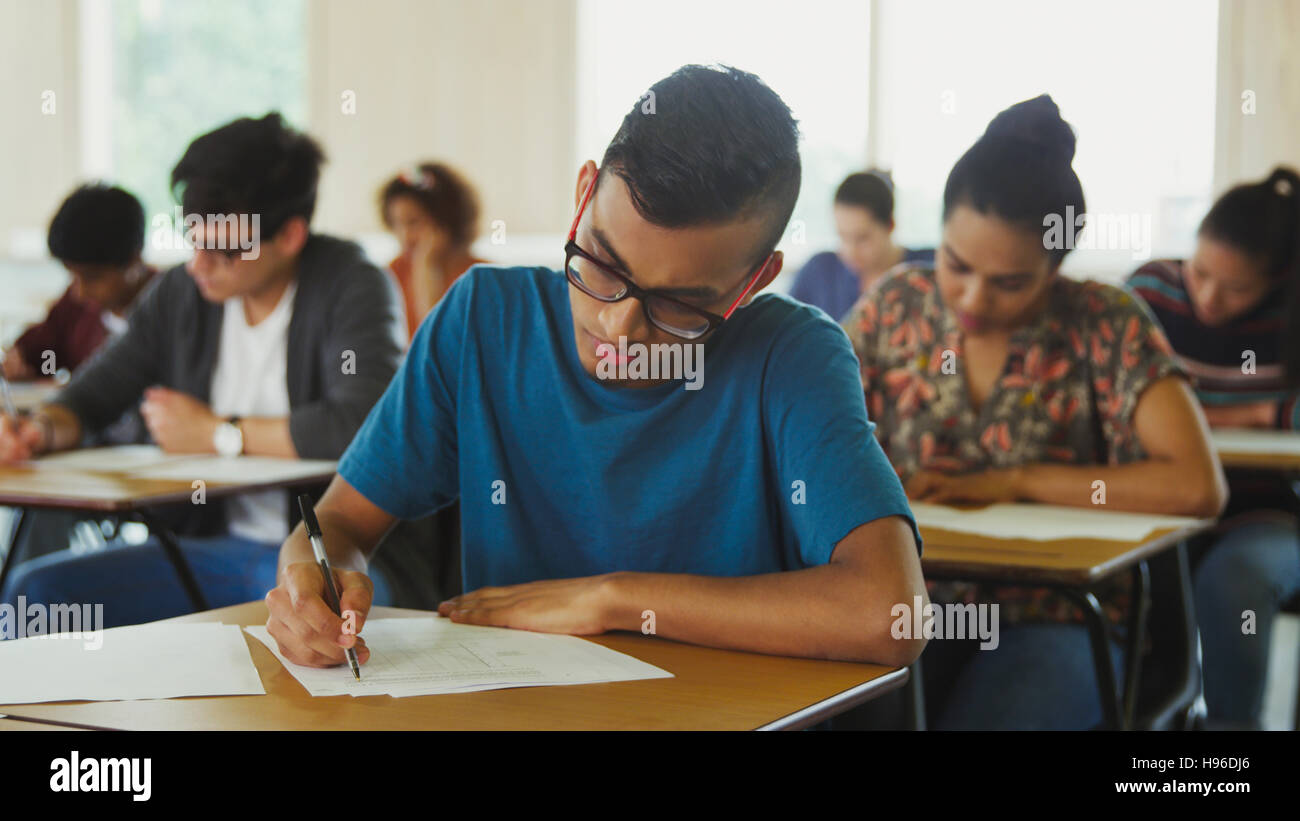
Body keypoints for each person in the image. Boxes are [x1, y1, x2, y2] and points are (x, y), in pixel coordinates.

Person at [262, 65, 927, 673]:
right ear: (584, 196)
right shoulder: (483, 321)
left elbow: (890, 611)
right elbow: (338, 525)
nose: (618, 326)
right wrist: (311, 580)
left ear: (753, 282)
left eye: (677, 305)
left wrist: (612, 599)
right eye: (602, 264)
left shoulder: (792, 356)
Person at [842, 95, 1227, 730]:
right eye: (956, 264)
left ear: (1057, 264)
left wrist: (1015, 481)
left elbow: (1196, 486)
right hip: (907, 605)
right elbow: (807, 440)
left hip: (1061, 615)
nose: (972, 296)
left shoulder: (1104, 321)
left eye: (1010, 282)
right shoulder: (893, 308)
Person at [0, 113, 405, 627]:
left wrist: (219, 435)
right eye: (194, 240)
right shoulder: (181, 296)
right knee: (36, 594)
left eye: (223, 250)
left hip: (322, 560)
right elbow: (92, 396)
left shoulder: (352, 284)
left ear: (290, 235)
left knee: (325, 607)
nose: (198, 264)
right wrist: (38, 430)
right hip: (206, 551)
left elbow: (364, 424)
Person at [1127, 166, 1300, 728]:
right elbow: (1106, 391)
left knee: (1234, 581)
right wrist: (1263, 416)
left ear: (1276, 279)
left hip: (1263, 512)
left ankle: (1229, 745)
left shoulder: (1289, 316)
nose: (1207, 296)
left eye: (1236, 287)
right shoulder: (1152, 293)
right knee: (1135, 581)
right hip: (1158, 506)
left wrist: (1248, 411)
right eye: (1199, 271)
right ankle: (1153, 720)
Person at [3, 184, 156, 381]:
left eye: (92, 277)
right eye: (72, 275)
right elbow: (47, 353)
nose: (79, 292)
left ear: (134, 261)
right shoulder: (76, 308)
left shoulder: (171, 305)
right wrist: (24, 363)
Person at [789, 170, 933, 322]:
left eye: (862, 238)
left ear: (890, 226)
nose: (850, 251)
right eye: (843, 236)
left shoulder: (928, 269)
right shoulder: (819, 272)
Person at [379, 162, 488, 341]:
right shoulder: (393, 273)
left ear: (445, 222)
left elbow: (441, 346)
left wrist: (427, 267)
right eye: (397, 224)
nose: (404, 235)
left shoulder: (481, 277)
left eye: (413, 222)